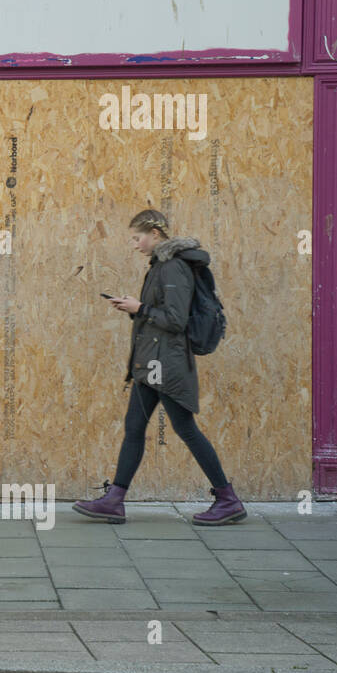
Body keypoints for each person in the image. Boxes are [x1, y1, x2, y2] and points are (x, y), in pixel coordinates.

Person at [73, 209, 246, 526]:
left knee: (186, 429)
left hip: (166, 363)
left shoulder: (174, 268)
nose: (134, 245)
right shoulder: (160, 267)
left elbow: (176, 320)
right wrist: (133, 308)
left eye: (137, 238)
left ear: (155, 234)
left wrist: (140, 308)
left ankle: (227, 499)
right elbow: (159, 314)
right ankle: (115, 499)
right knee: (134, 428)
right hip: (151, 362)